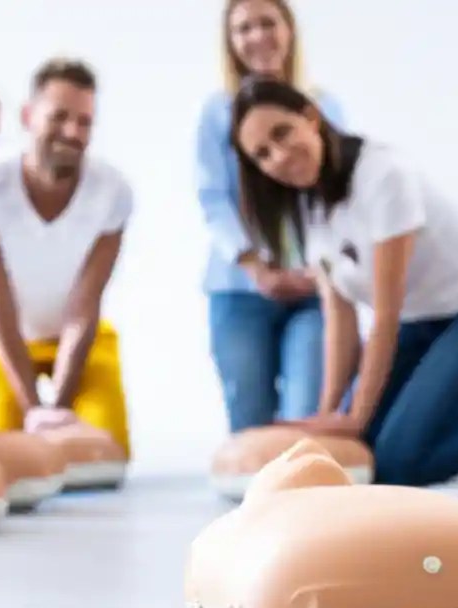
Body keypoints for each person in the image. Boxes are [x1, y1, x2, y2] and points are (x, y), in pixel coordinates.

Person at [230, 77, 458, 487]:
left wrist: (356, 416)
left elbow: (385, 313)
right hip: (421, 323)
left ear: (311, 118)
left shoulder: (383, 175)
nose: (279, 155)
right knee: (363, 447)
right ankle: (455, 412)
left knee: (397, 464)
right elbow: (340, 316)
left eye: (282, 133)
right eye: (262, 154)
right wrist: (329, 414)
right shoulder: (306, 205)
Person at [0, 58, 134, 455]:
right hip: (0, 339)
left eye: (84, 121)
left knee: (105, 455)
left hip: (80, 341)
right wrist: (33, 410)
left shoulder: (113, 191)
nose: (72, 132)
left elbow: (84, 306)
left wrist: (57, 408)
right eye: (59, 117)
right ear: (28, 115)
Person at [197, 0, 345, 433]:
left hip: (314, 291)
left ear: (289, 29)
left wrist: (319, 272)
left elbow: (339, 196)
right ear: (230, 41)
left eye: (267, 23)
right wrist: (258, 268)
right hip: (240, 290)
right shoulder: (216, 113)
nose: (257, 36)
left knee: (304, 421)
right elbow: (211, 198)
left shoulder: (326, 106)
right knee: (251, 431)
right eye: (243, 28)